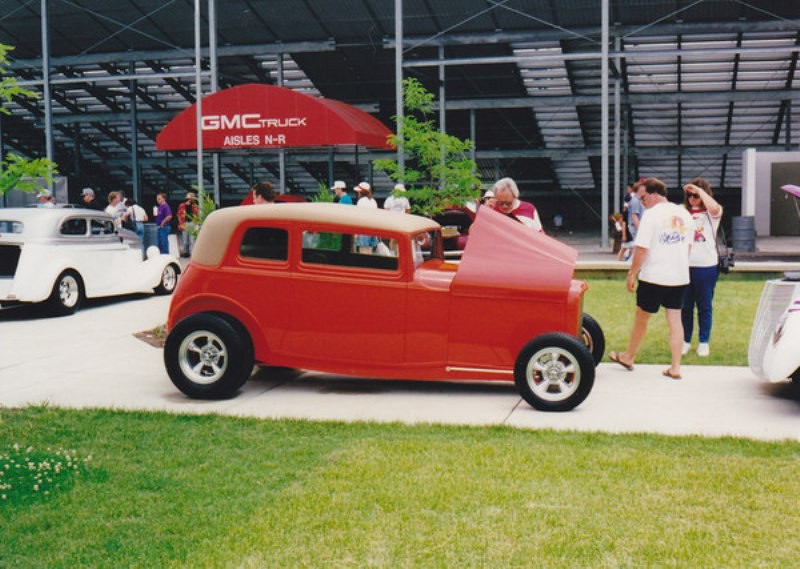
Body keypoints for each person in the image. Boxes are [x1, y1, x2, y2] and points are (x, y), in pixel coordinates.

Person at [608, 177, 693, 380]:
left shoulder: (651, 215)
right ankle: (675, 367)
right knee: (675, 321)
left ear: (654, 194)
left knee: (641, 318)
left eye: (643, 198)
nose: (641, 202)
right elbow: (688, 247)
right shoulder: (684, 213)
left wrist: (631, 273)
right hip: (679, 277)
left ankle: (629, 356)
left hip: (653, 277)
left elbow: (641, 249)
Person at [681, 177, 723, 357]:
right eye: (689, 195)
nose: (692, 198)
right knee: (685, 306)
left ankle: (704, 341)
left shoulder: (712, 214)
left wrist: (700, 191)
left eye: (695, 195)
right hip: (684, 265)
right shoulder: (683, 213)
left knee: (704, 305)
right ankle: (686, 340)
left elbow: (714, 207)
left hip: (706, 265)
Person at [354, 182, 379, 253]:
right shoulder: (373, 201)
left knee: (363, 251)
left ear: (362, 192)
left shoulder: (361, 201)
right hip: (373, 228)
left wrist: (356, 233)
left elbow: (358, 217)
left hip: (363, 229)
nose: (358, 193)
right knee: (369, 251)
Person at [177, 192, 199, 257]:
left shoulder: (195, 206)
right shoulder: (182, 205)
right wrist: (180, 223)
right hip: (185, 223)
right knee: (185, 240)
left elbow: (197, 215)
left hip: (193, 223)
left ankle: (192, 253)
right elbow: (179, 214)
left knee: (192, 240)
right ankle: (185, 253)